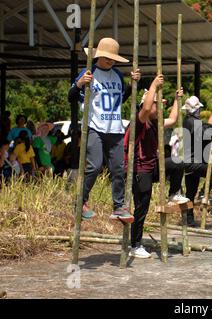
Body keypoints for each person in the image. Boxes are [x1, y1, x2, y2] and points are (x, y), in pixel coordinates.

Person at [68, 37, 141, 222]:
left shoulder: (117, 75)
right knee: (94, 165)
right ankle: (81, 202)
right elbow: (71, 97)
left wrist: (133, 86)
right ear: (98, 55)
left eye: (113, 58)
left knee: (118, 169)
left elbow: (121, 100)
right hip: (95, 126)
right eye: (107, 57)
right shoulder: (89, 72)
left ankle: (118, 206)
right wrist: (79, 84)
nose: (110, 61)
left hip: (115, 128)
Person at [126, 75, 189, 258]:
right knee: (141, 207)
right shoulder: (140, 120)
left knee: (177, 162)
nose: (158, 107)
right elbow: (146, 107)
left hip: (153, 167)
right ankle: (135, 245)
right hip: (140, 170)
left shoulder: (154, 122)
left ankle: (174, 193)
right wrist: (154, 84)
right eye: (156, 104)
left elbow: (173, 117)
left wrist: (178, 100)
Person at [182, 96, 212, 227]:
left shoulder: (191, 121)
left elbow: (205, 128)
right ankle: (202, 193)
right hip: (193, 163)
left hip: (193, 162)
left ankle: (189, 219)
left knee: (190, 193)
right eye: (199, 109)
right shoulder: (191, 122)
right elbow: (207, 135)